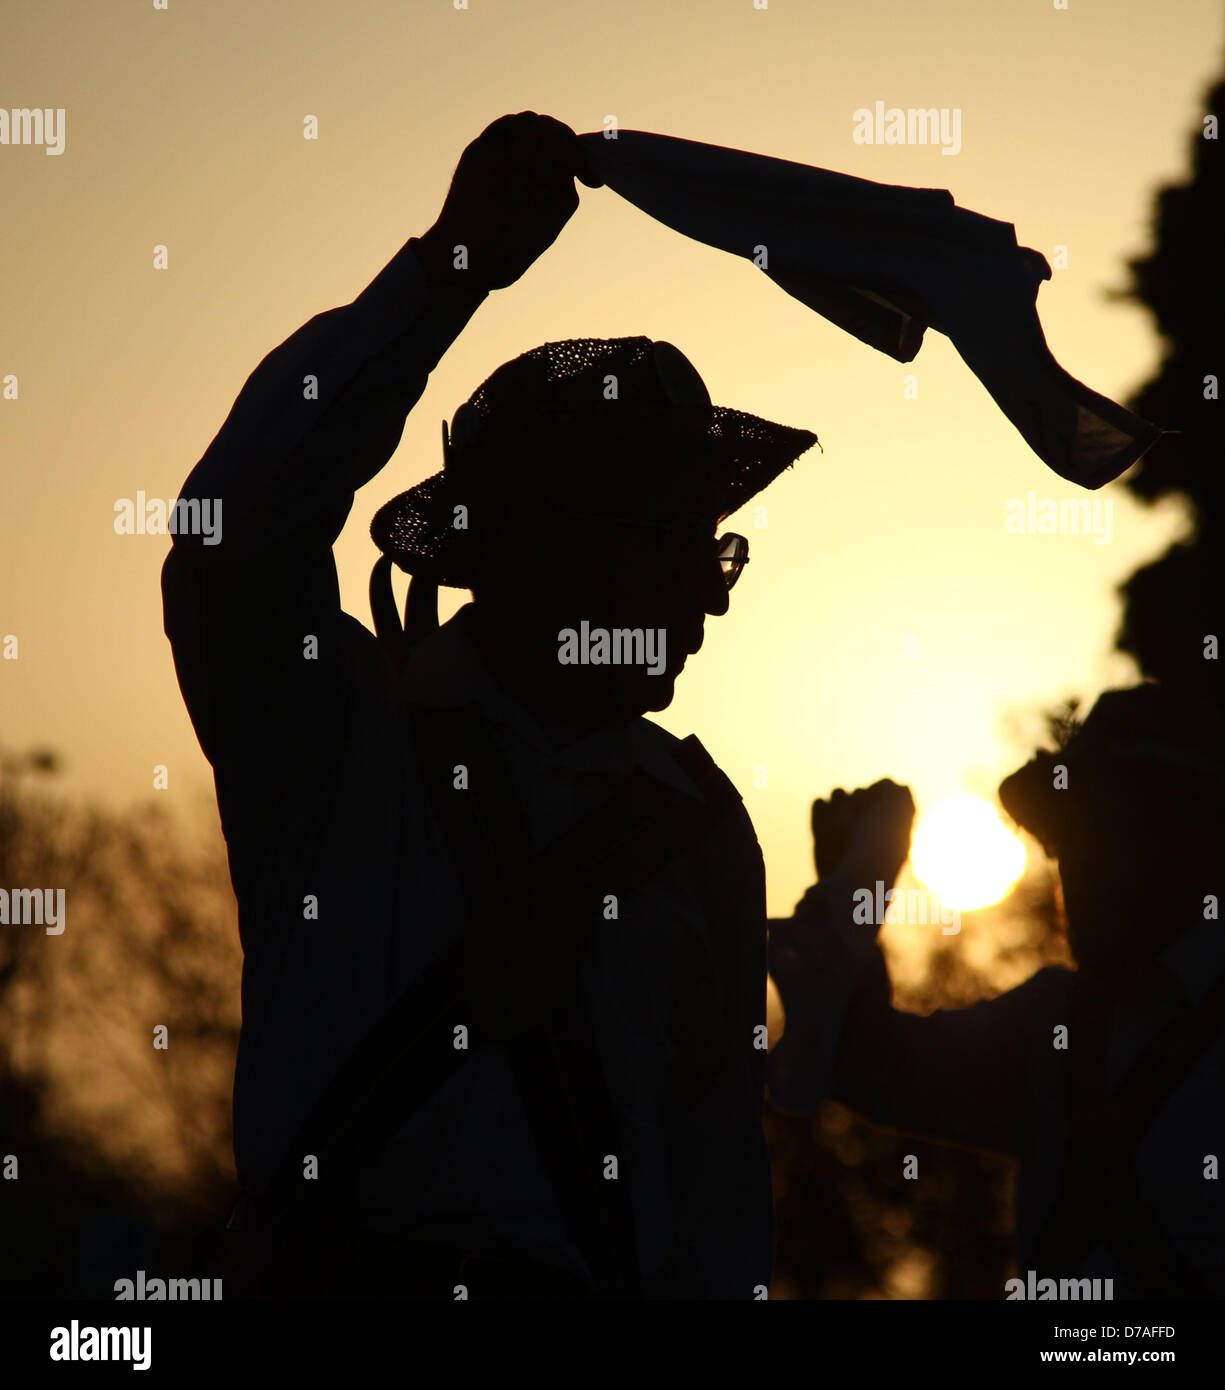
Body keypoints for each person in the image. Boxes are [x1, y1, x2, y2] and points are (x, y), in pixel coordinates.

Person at [162, 111, 820, 1299]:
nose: (707, 599)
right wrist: (450, 267)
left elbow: (716, 1210)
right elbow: (234, 528)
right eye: (678, 547)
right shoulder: (331, 734)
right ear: (552, 551)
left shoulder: (701, 829)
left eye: (712, 554)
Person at [766, 682, 1225, 1298]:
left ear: (1192, 841)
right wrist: (857, 888)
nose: (1076, 870)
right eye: (1068, 842)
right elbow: (866, 1065)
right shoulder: (1055, 1024)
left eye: (1108, 833)